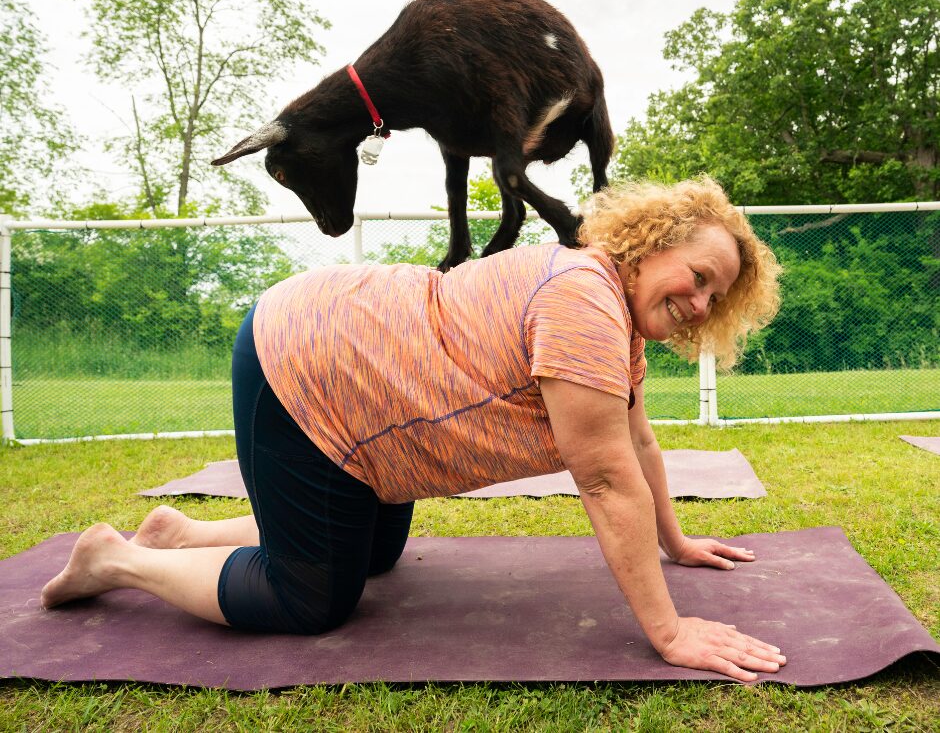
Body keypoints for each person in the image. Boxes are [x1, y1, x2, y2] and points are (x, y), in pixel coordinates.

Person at [42, 176, 785, 681]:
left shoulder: (608, 315)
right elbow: (602, 475)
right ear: (651, 244)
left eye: (716, 297)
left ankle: (177, 537)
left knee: (375, 553)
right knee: (310, 598)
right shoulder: (584, 299)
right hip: (304, 362)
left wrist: (676, 541)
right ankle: (118, 560)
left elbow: (638, 444)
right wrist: (670, 631)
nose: (700, 303)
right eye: (697, 275)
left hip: (354, 379)